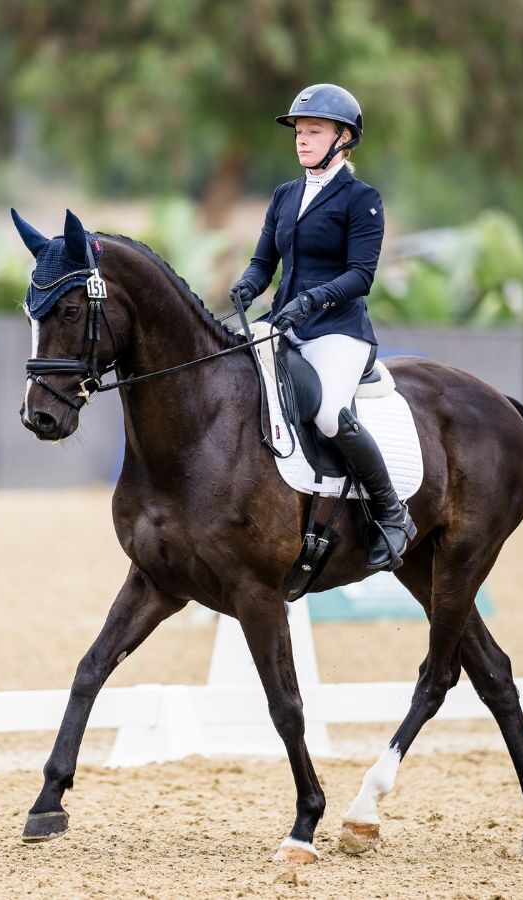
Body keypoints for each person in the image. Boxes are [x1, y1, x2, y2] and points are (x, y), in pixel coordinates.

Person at [227, 83, 416, 572]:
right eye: (299, 132)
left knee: (330, 414)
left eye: (314, 131)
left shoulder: (362, 199)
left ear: (343, 138)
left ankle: (391, 512)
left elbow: (361, 275)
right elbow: (263, 260)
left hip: (337, 330)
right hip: (284, 321)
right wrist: (247, 286)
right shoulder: (285, 195)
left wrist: (312, 299)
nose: (301, 140)